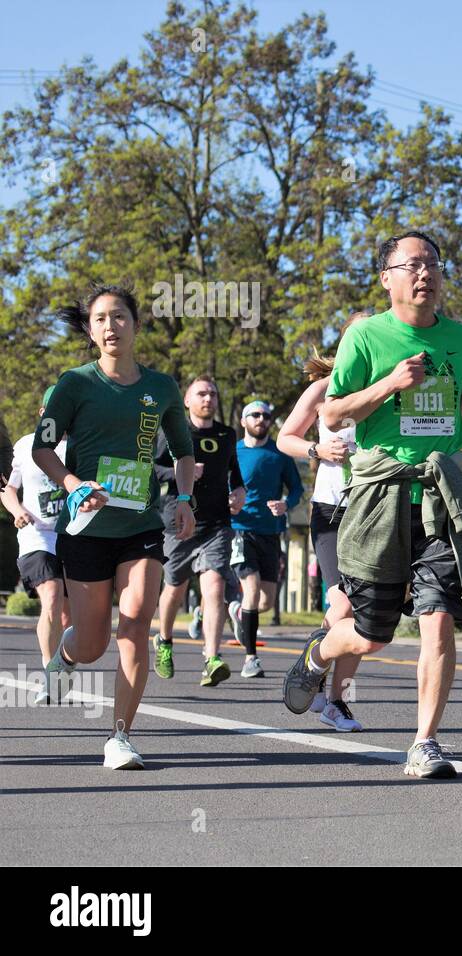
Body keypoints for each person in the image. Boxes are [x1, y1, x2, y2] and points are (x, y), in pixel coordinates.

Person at [281, 230, 462, 779]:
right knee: (371, 635)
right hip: (378, 498)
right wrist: (389, 383)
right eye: (411, 264)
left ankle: (425, 742)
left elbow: (459, 406)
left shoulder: (460, 338)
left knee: (438, 621)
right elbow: (336, 412)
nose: (424, 273)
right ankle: (319, 656)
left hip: (440, 496)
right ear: (386, 276)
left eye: (433, 263)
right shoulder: (365, 337)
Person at [36, 283, 195, 769]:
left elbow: (185, 451)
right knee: (92, 643)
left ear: (136, 324)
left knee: (135, 623)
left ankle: (120, 737)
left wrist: (184, 498)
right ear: (90, 330)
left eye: (119, 316)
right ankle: (65, 655)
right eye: (101, 319)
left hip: (140, 525)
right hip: (85, 528)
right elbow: (43, 448)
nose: (111, 326)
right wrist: (73, 483)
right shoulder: (73, 384)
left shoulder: (162, 387)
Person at [278, 312, 367, 731]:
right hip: (331, 509)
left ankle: (336, 701)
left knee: (366, 613)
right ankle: (315, 664)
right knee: (344, 604)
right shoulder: (323, 389)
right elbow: (284, 438)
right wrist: (317, 450)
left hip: (373, 511)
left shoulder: (390, 393)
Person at [152, 375, 246, 686]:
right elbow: (153, 467)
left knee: (216, 587)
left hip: (217, 522)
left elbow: (235, 470)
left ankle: (212, 658)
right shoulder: (175, 432)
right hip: (179, 522)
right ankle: (164, 641)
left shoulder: (227, 433)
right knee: (175, 589)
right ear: (188, 402)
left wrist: (240, 491)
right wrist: (184, 471)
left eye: (213, 394)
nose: (208, 399)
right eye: (201, 394)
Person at [2, 385, 72, 703]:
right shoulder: (25, 446)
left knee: (70, 618)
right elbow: (7, 488)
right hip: (36, 534)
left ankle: (61, 662)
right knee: (52, 597)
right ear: (42, 413)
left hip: (73, 535)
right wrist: (17, 512)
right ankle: (50, 672)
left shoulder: (81, 447)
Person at [231, 400, 303, 677]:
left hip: (271, 532)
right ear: (244, 420)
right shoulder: (233, 452)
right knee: (251, 588)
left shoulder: (280, 453)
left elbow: (296, 488)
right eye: (255, 415)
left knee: (266, 602)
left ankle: (239, 613)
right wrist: (226, 502)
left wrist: (287, 503)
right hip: (240, 529)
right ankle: (251, 658)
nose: (262, 419)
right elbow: (221, 485)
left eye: (266, 416)